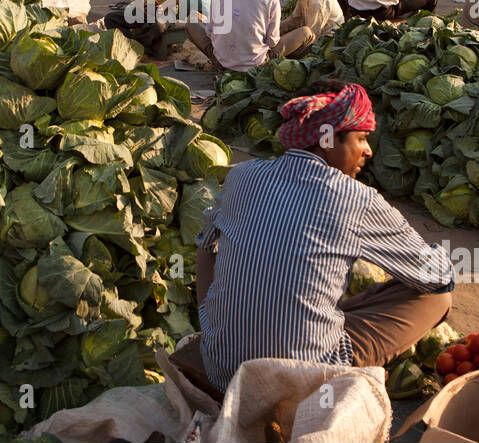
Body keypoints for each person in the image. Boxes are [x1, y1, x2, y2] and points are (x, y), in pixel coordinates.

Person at [188, 80, 453, 396]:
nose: (368, 150)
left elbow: (205, 247)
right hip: (305, 383)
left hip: (220, 368)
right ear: (327, 140)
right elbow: (437, 276)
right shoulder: (356, 199)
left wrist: (209, 322)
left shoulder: (242, 176)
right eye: (362, 138)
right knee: (437, 298)